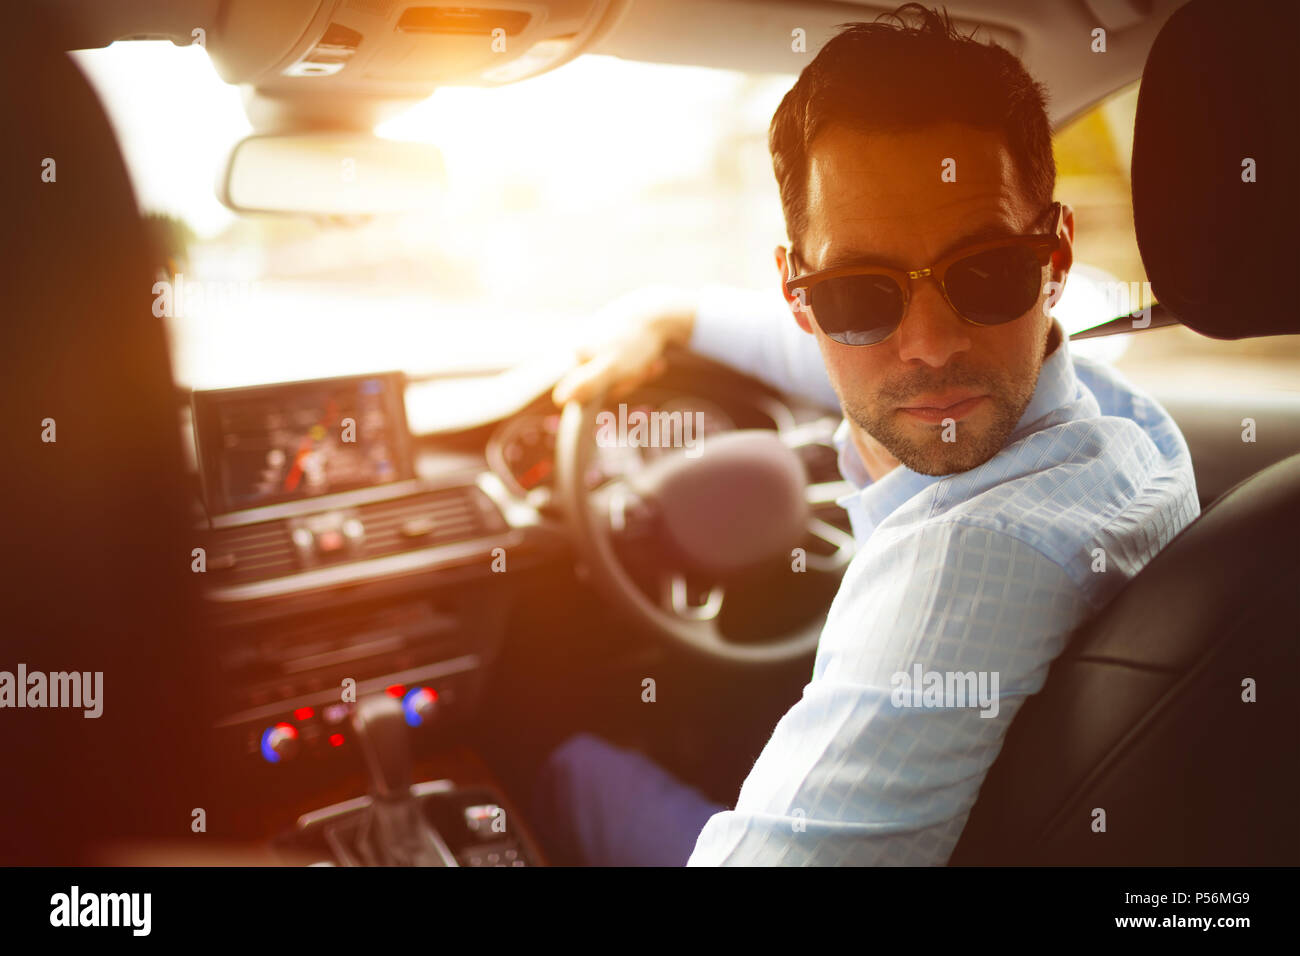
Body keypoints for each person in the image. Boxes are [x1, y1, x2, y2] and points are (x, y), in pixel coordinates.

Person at [532, 4, 1199, 866]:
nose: (928, 346)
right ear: (798, 294)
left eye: (986, 272)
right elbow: (882, 362)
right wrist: (672, 315)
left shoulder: (967, 557)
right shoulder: (1109, 413)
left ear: (1056, 259)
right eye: (859, 294)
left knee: (573, 769)